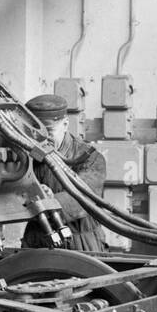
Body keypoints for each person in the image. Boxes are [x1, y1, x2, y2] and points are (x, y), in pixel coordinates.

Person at [24, 93, 105, 251]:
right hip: (36, 243)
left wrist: (49, 200)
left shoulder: (90, 157)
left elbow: (82, 200)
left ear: (65, 124)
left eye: (48, 131)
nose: (42, 138)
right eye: (34, 133)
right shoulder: (27, 155)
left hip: (81, 244)